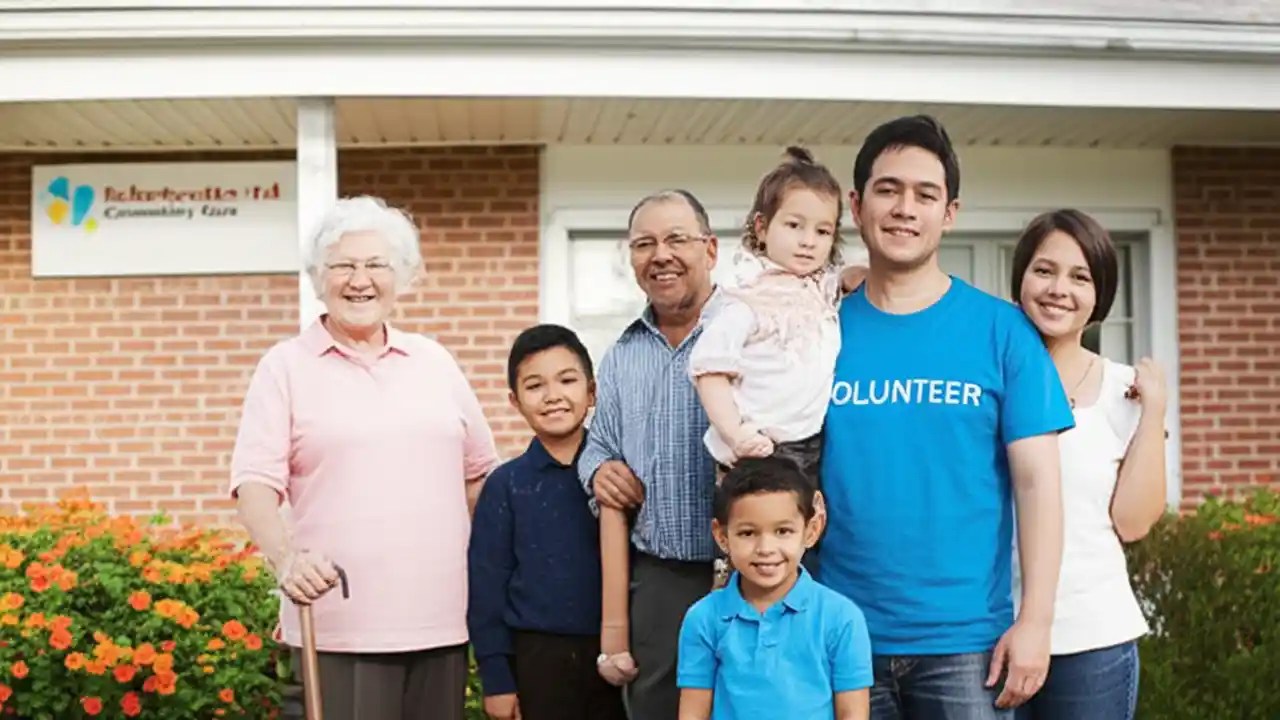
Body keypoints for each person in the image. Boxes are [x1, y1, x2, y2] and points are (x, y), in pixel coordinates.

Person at [817, 115, 1074, 719]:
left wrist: (1036, 621)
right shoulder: (816, 330)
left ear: (949, 213)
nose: (905, 208)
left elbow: (1038, 483)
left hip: (968, 647)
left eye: (925, 194)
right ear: (857, 205)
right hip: (841, 640)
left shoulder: (1002, 330)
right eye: (888, 189)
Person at [230, 195, 500, 720]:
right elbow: (255, 485)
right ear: (318, 278)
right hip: (340, 624)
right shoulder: (285, 367)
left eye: (377, 265)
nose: (360, 279)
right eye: (343, 265)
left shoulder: (435, 361)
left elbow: (480, 479)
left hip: (441, 618)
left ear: (402, 277)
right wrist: (286, 558)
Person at [1008, 209, 1168, 720]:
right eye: (1044, 270)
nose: (1059, 289)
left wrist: (1155, 413)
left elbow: (1134, 522)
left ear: (1100, 296)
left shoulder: (1125, 392)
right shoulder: (984, 379)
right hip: (988, 633)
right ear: (1021, 279)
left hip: (1092, 640)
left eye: (1080, 277)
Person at [687, 146, 866, 585]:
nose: (809, 240)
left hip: (811, 445)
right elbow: (708, 369)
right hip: (760, 446)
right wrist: (737, 433)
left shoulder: (818, 287)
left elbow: (838, 281)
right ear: (763, 228)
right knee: (759, 554)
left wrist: (854, 277)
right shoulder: (748, 300)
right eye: (794, 225)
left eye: (823, 231)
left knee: (805, 553)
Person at [579, 189, 723, 720]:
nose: (660, 254)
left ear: (710, 249)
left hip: (752, 570)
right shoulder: (622, 356)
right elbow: (598, 442)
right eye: (644, 244)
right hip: (660, 581)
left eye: (676, 239)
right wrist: (597, 468)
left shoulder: (753, 331)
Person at [467, 323, 628, 720]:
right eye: (535, 385)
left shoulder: (619, 477)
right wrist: (498, 680)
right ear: (515, 400)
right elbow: (486, 591)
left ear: (592, 392)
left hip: (619, 653)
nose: (553, 396)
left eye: (567, 380)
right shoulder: (506, 486)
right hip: (538, 659)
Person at [676, 455, 874, 720]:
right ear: (722, 536)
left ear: (810, 531)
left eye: (783, 531)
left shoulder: (841, 618)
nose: (766, 549)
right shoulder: (703, 618)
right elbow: (692, 712)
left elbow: (853, 713)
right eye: (748, 533)